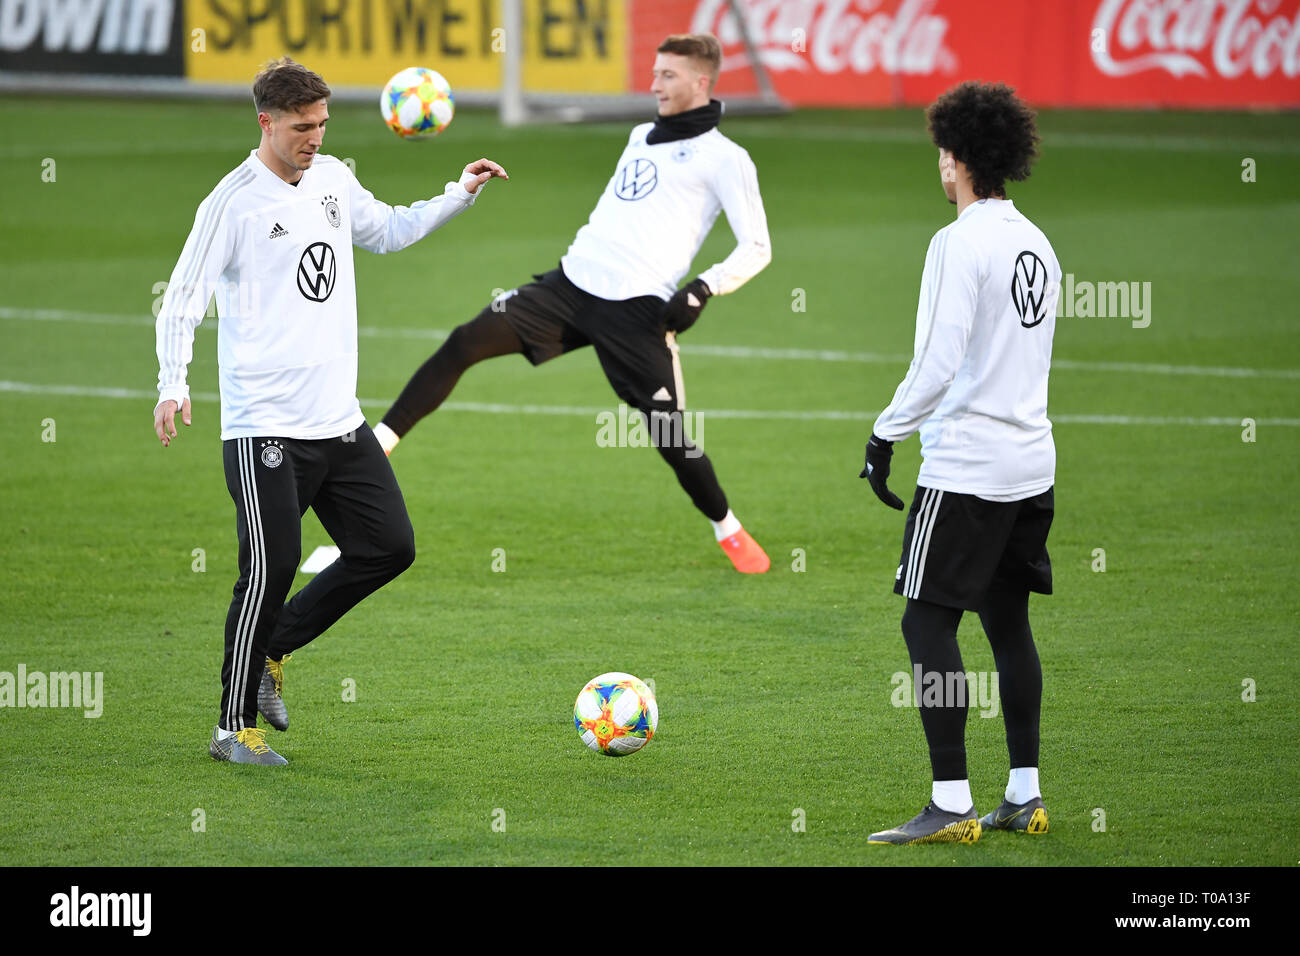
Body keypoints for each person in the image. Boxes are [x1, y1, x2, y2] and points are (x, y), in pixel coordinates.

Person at [152, 57, 508, 765]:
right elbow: (185, 296)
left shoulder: (334, 178)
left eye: (321, 124)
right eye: (300, 127)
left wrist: (457, 194)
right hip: (265, 426)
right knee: (271, 565)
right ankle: (231, 729)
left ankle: (272, 648)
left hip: (338, 423)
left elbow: (389, 230)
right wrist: (173, 381)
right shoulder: (233, 202)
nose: (314, 138)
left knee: (389, 547)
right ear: (266, 122)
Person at [373, 33, 773, 573]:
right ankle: (376, 448)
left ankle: (727, 528)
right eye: (654, 71)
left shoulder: (727, 159)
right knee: (464, 342)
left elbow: (758, 246)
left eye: (668, 75)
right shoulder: (638, 135)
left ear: (702, 82)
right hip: (567, 287)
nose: (654, 83)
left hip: (635, 312)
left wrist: (704, 287)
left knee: (669, 433)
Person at [861, 81, 1059, 844]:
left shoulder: (958, 242)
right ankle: (1024, 794)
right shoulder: (1036, 241)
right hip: (1030, 465)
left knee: (926, 625)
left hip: (968, 469)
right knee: (1009, 625)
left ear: (957, 160)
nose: (939, 167)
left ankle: (949, 801)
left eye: (942, 154)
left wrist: (885, 434)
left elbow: (939, 361)